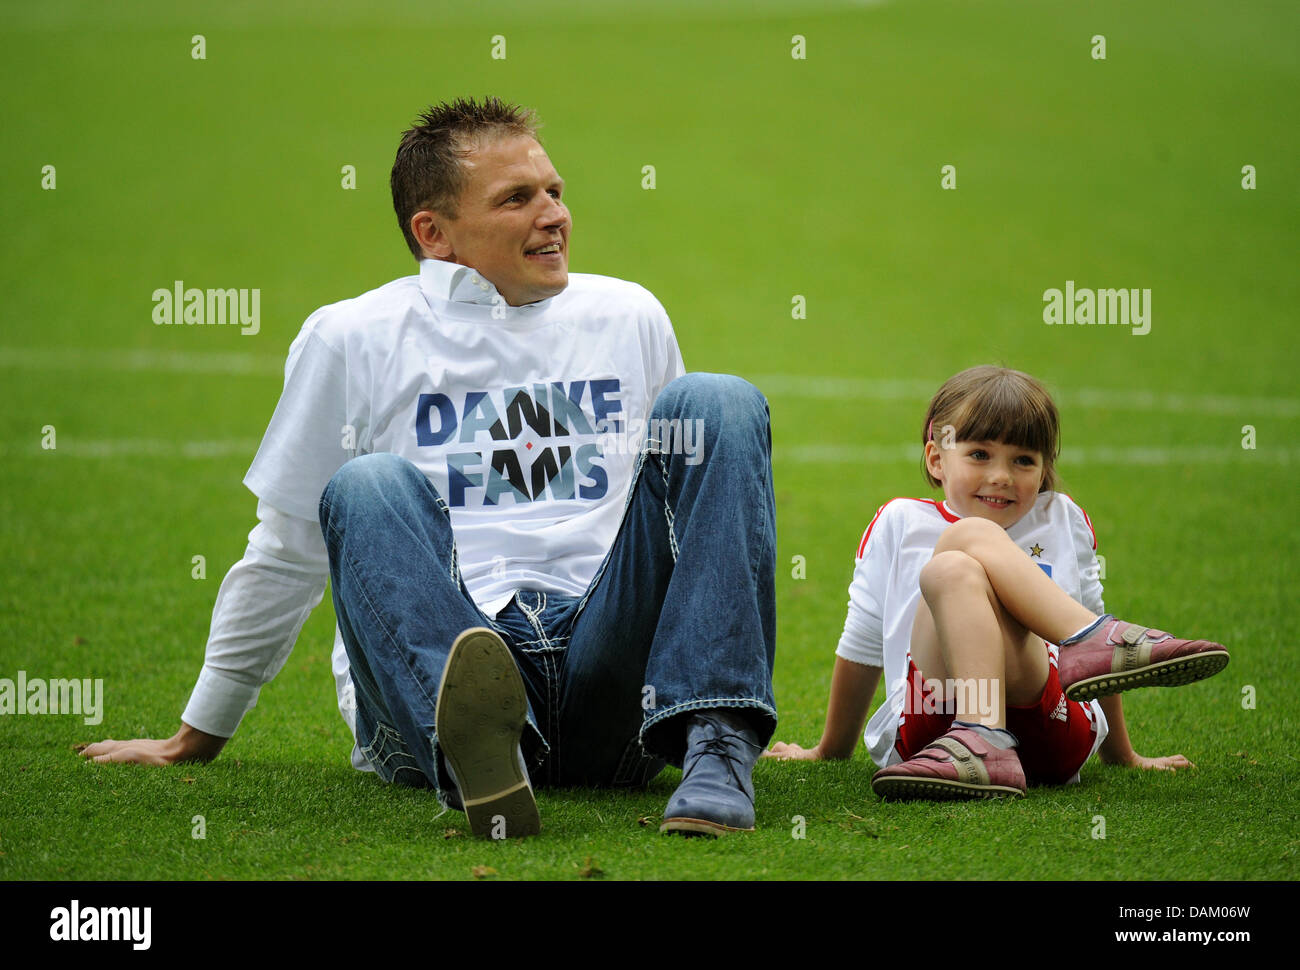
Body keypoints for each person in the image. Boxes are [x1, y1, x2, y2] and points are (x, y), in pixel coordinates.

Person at [80, 97, 778, 837]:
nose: (554, 215)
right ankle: (480, 760)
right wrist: (200, 731)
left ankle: (717, 749)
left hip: (613, 684)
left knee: (718, 403)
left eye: (555, 191)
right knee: (366, 486)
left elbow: (683, 519)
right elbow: (286, 554)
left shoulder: (628, 314)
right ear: (434, 234)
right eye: (518, 198)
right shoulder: (352, 336)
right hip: (443, 673)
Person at [766, 365, 1228, 799]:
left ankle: (994, 728)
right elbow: (863, 645)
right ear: (936, 458)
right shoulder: (900, 522)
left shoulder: (1063, 519)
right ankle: (986, 730)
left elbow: (1095, 669)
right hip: (935, 725)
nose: (1001, 476)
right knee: (954, 560)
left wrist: (1122, 755)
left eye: (1024, 460)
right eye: (979, 454)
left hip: (1051, 723)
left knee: (976, 551)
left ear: (1045, 469)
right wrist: (829, 749)